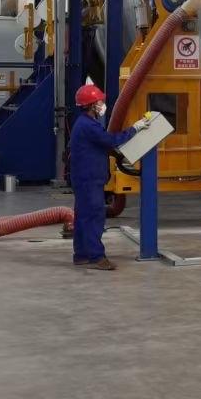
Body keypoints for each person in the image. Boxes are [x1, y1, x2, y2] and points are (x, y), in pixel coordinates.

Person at [68, 83, 138, 270]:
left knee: (83, 217)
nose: (101, 105)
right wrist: (135, 129)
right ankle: (97, 257)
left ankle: (81, 255)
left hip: (84, 178)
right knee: (94, 217)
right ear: (91, 105)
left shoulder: (84, 123)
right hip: (89, 179)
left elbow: (102, 144)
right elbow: (111, 140)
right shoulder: (89, 126)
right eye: (99, 102)